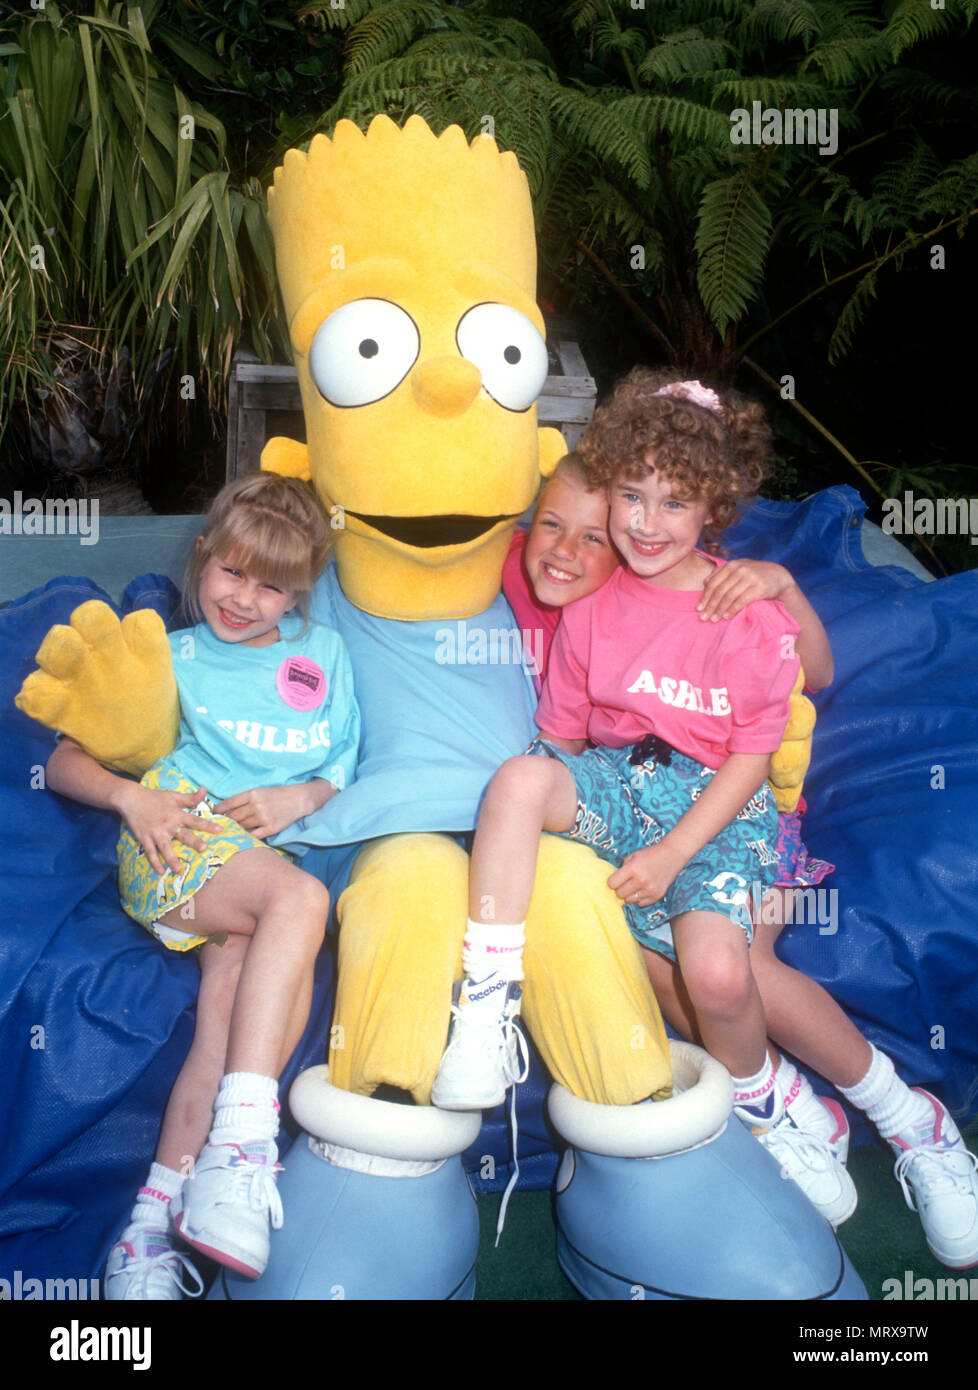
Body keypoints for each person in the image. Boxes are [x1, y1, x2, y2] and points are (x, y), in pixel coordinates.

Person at [434, 372, 978, 1269]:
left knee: (723, 971)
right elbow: (560, 739)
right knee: (546, 817)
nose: (643, 522)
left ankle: (909, 1119)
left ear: (714, 506)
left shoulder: (739, 604)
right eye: (631, 498)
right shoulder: (580, 597)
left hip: (717, 805)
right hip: (618, 787)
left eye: (673, 502)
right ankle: (752, 1094)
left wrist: (671, 848)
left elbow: (762, 743)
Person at [44, 474, 360, 1299]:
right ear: (202, 558)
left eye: (272, 586)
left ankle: (151, 1226)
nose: (245, 599)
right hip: (180, 847)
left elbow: (342, 769)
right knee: (302, 903)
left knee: (226, 1015)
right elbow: (61, 759)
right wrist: (131, 795)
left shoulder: (323, 655)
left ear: (301, 594)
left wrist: (305, 796)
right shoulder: (174, 657)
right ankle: (246, 1148)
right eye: (232, 573)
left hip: (263, 878)